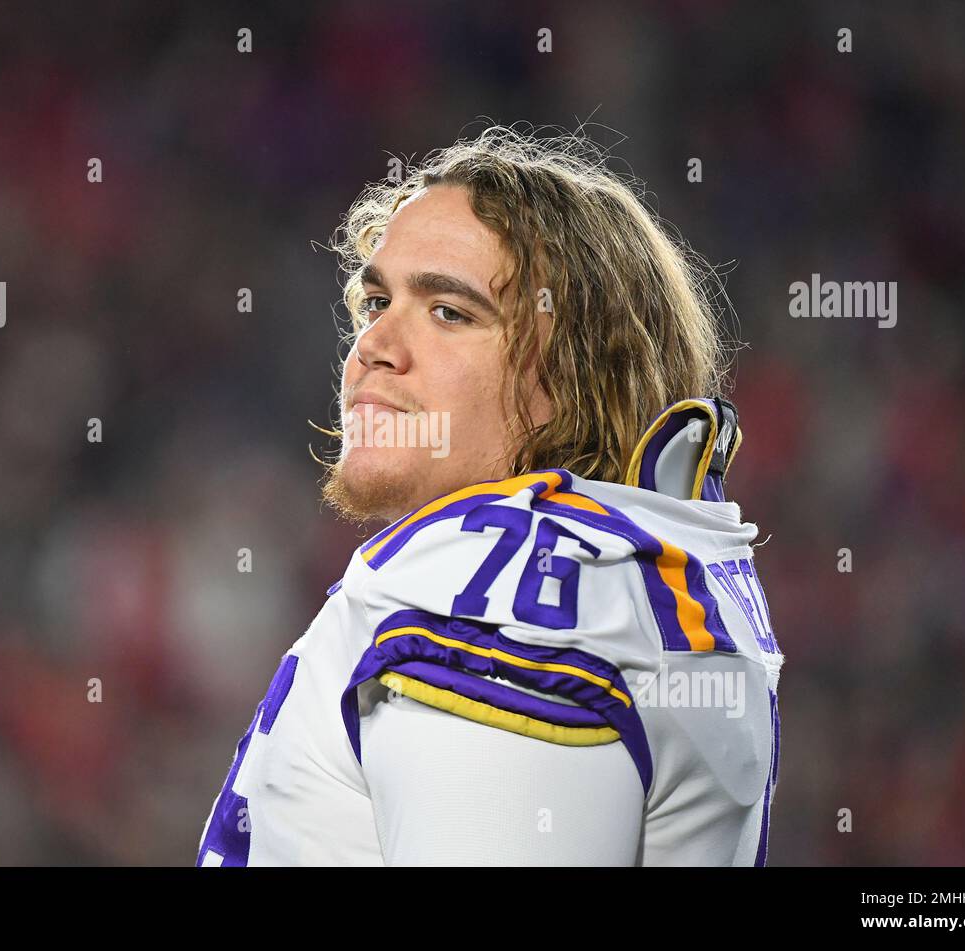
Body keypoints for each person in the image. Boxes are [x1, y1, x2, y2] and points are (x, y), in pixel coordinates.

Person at [197, 125, 783, 865]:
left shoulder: (504, 589)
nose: (375, 345)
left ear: (574, 376)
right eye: (377, 301)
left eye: (451, 312)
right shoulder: (633, 569)